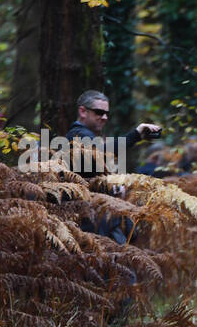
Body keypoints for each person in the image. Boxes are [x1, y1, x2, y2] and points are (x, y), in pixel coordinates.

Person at [67, 91, 161, 245]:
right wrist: (136, 135)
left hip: (101, 220)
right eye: (99, 112)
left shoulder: (89, 137)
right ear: (83, 111)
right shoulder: (76, 135)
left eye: (106, 113)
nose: (104, 117)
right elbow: (102, 151)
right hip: (90, 223)